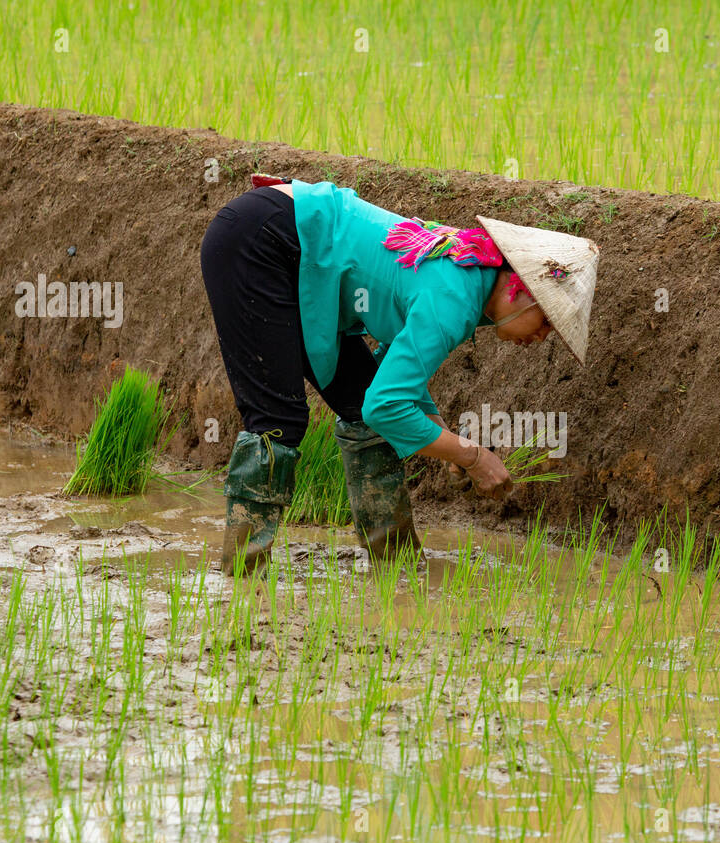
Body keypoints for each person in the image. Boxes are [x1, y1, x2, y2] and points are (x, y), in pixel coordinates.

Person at [199, 174, 600, 574]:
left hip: (297, 247)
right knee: (277, 420)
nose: (542, 337)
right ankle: (242, 576)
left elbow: (395, 379)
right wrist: (473, 456)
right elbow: (386, 406)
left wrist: (441, 431)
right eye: (546, 322)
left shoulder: (470, 276)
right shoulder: (453, 298)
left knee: (359, 406)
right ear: (519, 288)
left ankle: (395, 568)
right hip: (263, 242)